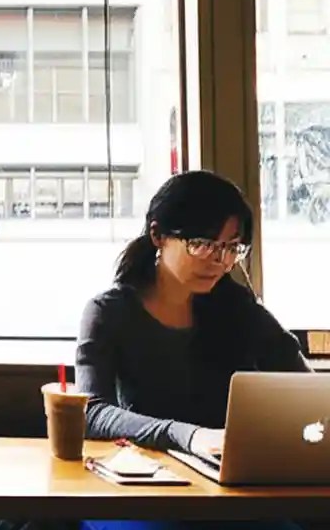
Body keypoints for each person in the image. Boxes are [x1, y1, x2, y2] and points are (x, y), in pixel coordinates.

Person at [75, 170, 311, 530]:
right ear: (158, 235)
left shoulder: (236, 307)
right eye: (203, 243)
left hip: (226, 488)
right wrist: (188, 435)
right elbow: (92, 412)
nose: (220, 261)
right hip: (145, 486)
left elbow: (303, 383)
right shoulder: (109, 312)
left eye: (232, 247)